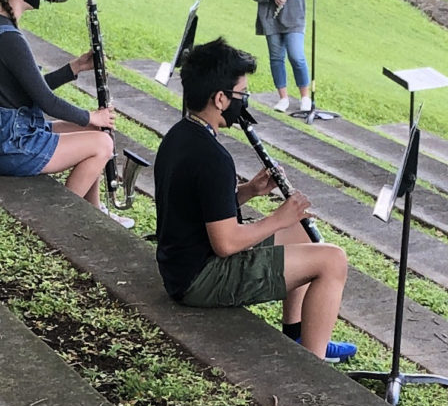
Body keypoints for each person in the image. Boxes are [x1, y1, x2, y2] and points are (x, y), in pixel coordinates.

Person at [151, 37, 356, 361]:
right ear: (220, 99)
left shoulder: (181, 135)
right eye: (241, 94)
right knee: (333, 260)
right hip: (199, 279)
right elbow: (227, 243)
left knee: (302, 232)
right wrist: (278, 218)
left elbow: (195, 208)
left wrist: (249, 192)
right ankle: (312, 366)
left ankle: (299, 333)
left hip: (182, 265)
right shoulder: (213, 157)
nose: (244, 101)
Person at [0, 0, 124, 219]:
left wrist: (74, 68)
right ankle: (64, 217)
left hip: (6, 136)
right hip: (10, 145)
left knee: (95, 130)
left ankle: (96, 213)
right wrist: (92, 115)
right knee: (102, 143)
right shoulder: (9, 39)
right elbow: (45, 100)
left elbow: (30, 87)